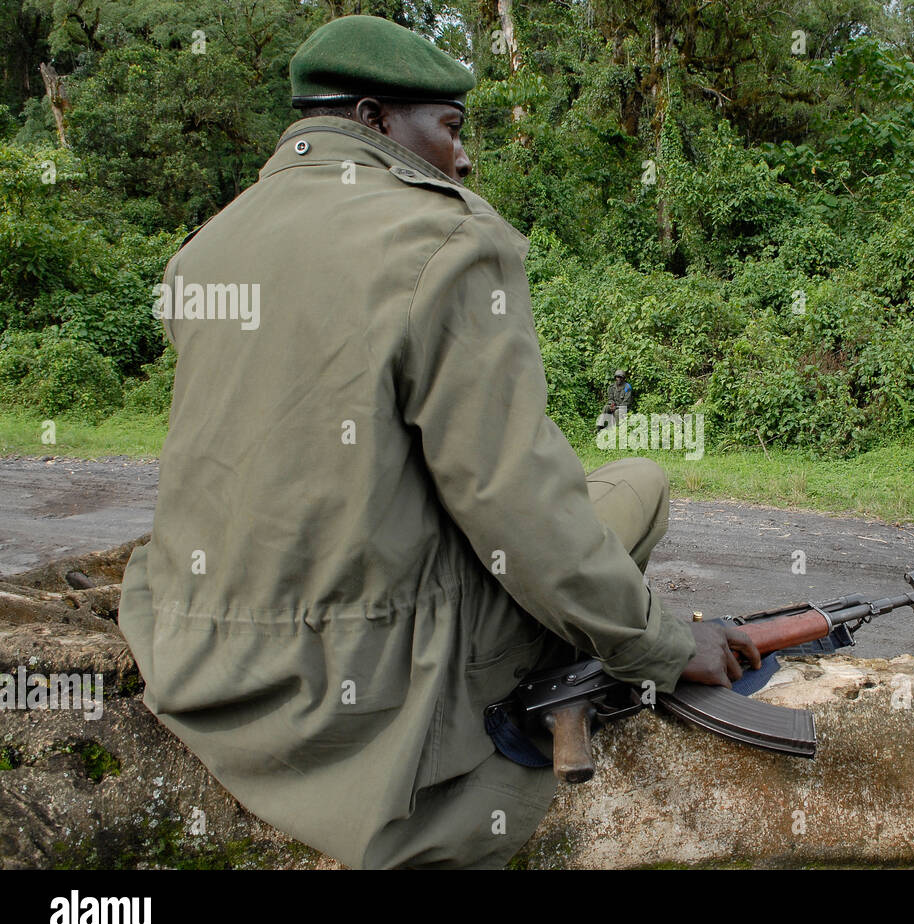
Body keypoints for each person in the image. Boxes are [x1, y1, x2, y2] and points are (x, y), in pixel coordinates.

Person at [117, 14, 757, 869]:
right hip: (368, 691)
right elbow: (515, 504)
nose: (463, 158)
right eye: (450, 128)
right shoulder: (446, 239)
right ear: (376, 119)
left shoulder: (205, 250)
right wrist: (668, 648)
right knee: (637, 478)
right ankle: (565, 692)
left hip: (202, 657)